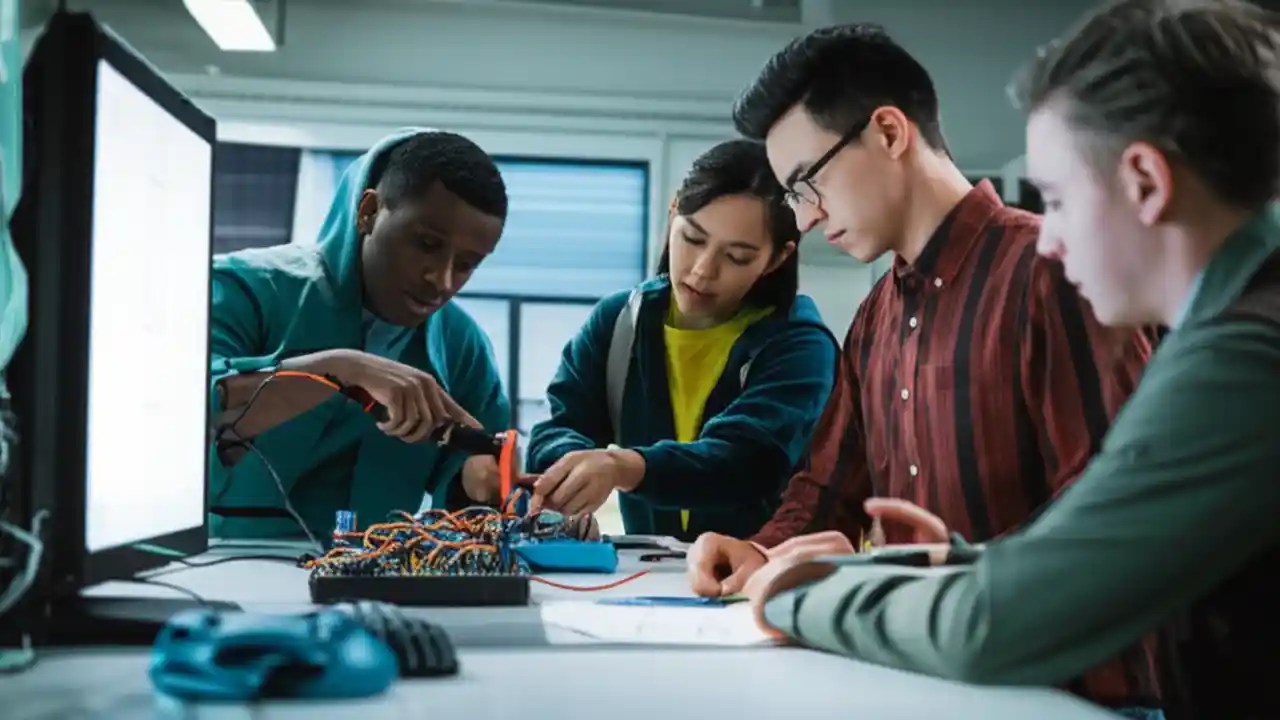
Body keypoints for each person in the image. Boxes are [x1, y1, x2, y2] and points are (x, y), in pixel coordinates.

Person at [745, 2, 1280, 719]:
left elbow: (992, 625)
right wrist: (953, 569)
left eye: (1057, 199)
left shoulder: (1240, 358)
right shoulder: (1238, 325)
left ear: (1146, 182)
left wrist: (809, 593)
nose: (1050, 239)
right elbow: (1101, 548)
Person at [685, 23, 1166, 714]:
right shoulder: (878, 312)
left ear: (887, 132)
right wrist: (758, 554)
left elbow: (1105, 522)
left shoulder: (1056, 273)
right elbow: (828, 489)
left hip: (1071, 695)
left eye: (807, 184)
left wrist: (900, 577)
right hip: (933, 684)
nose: (808, 220)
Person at [525, 140, 839, 541]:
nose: (703, 270)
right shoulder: (621, 321)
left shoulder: (800, 345)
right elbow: (560, 426)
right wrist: (572, 472)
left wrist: (624, 467)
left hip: (763, 574)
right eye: (692, 238)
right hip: (654, 574)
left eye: (737, 257)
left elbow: (746, 460)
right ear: (674, 212)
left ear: (777, 259)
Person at [209, 129, 511, 540]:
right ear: (368, 210)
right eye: (426, 243)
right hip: (207, 573)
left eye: (467, 264)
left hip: (367, 586)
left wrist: (480, 481)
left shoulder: (463, 349)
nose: (441, 280)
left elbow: (477, 480)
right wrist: (339, 372)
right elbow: (183, 414)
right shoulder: (240, 289)